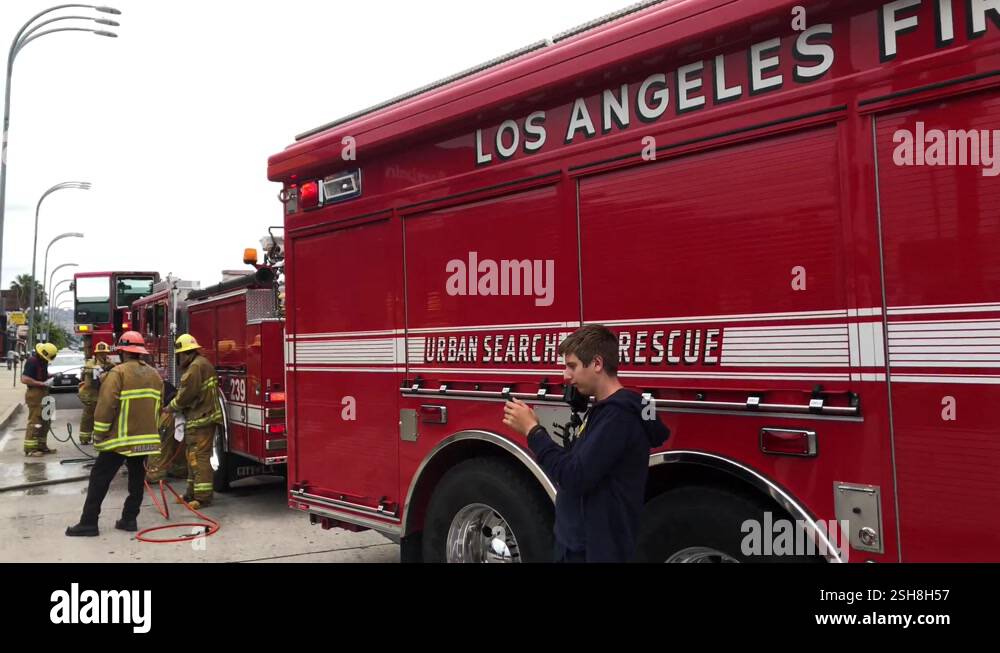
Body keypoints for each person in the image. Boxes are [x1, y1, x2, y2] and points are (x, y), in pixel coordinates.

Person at [502, 324, 670, 563]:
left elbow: (574, 475)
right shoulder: (607, 411)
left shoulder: (618, 417)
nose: (565, 376)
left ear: (597, 364)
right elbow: (580, 465)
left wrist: (533, 431)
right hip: (580, 543)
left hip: (594, 550)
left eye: (572, 366)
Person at [66, 332, 164, 536]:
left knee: (99, 478)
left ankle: (88, 523)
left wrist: (99, 434)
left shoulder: (117, 373)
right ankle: (129, 520)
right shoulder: (155, 375)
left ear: (122, 352)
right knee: (137, 481)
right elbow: (159, 406)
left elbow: (106, 406)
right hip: (145, 440)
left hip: (119, 439)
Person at [162, 334, 222, 509]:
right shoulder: (201, 363)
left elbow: (185, 396)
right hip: (200, 418)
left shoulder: (195, 367)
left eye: (180, 354)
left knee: (200, 458)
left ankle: (203, 497)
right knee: (192, 457)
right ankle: (191, 493)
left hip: (201, 419)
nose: (179, 358)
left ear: (187, 353)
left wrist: (169, 407)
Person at [22, 343, 57, 457]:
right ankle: (31, 449)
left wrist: (51, 376)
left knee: (46, 420)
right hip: (35, 393)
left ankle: (42, 446)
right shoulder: (32, 361)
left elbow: (42, 374)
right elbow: (25, 379)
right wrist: (41, 383)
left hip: (45, 392)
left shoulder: (43, 361)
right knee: (35, 421)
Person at [77, 339, 115, 446]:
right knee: (88, 417)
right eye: (101, 353)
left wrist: (109, 368)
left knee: (100, 417)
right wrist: (98, 369)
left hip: (102, 396)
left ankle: (97, 437)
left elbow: (115, 370)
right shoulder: (90, 363)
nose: (103, 355)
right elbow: (89, 374)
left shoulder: (108, 363)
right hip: (90, 395)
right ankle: (84, 438)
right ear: (96, 353)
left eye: (105, 353)